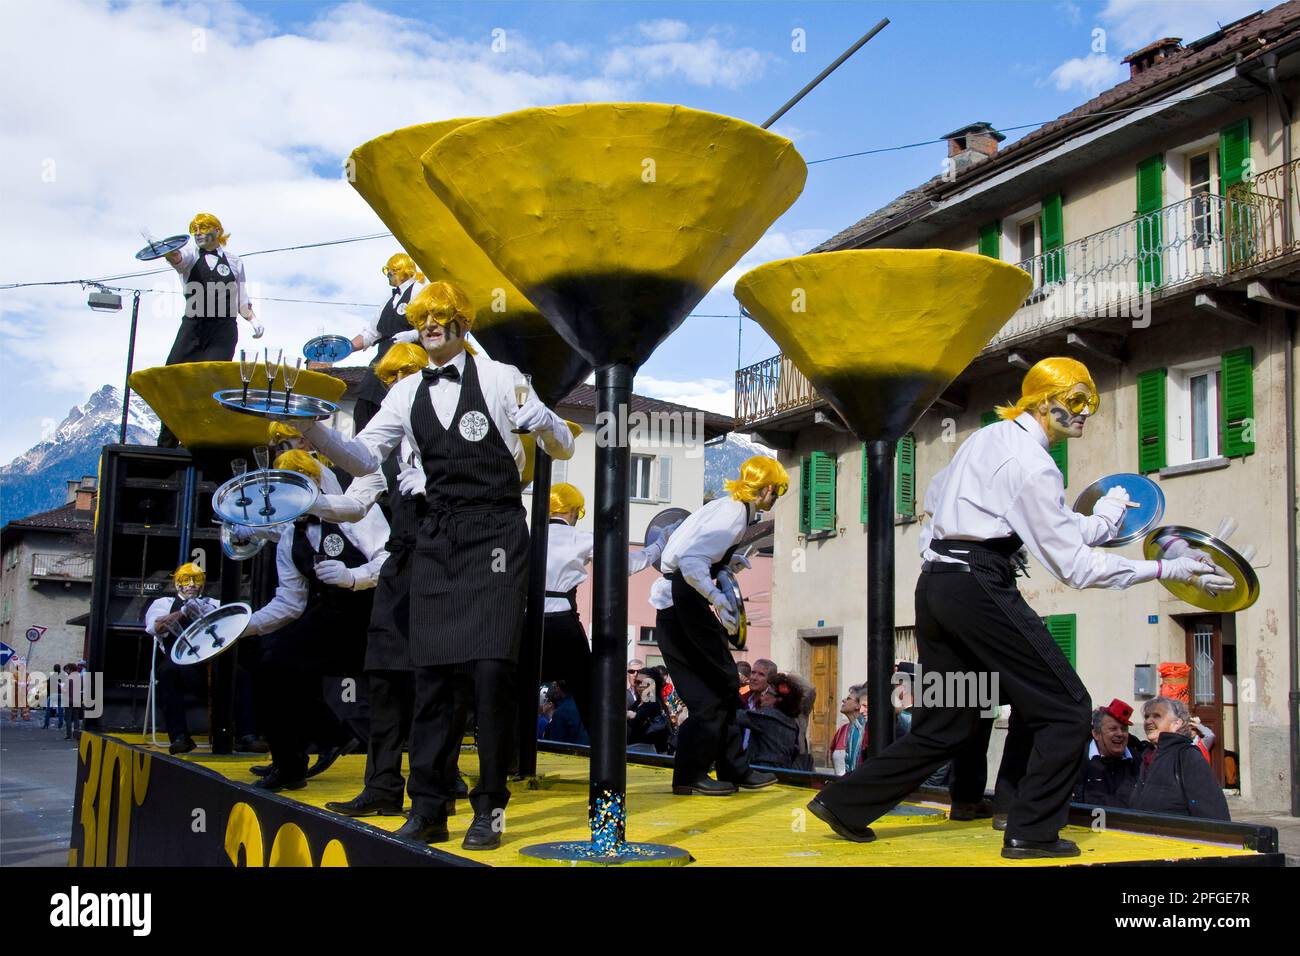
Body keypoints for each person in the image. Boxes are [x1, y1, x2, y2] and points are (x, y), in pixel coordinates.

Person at [807, 357, 1234, 859]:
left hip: (938, 584)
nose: (1085, 413)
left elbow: (1035, 525)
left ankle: (845, 803)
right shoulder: (1035, 465)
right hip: (978, 585)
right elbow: (1073, 568)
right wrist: (1167, 570)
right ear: (1042, 400)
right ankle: (1030, 830)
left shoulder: (987, 438)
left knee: (949, 720)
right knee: (1068, 708)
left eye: (1090, 402)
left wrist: (1104, 518)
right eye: (1076, 401)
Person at [299, 280, 575, 849]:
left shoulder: (502, 378)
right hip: (437, 538)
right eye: (422, 318)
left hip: (496, 531)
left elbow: (564, 447)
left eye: (441, 317)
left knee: (493, 674)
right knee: (431, 682)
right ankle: (428, 808)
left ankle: (489, 808)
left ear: (461, 323)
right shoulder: (403, 396)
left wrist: (543, 419)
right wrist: (309, 426)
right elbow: (360, 459)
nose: (430, 325)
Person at [323, 343, 472, 818]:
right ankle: (383, 786)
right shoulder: (383, 456)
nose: (399, 387)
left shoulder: (457, 440)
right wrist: (303, 503)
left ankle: (437, 786)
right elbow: (352, 505)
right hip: (399, 569)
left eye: (406, 376)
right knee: (384, 682)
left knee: (437, 684)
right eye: (391, 380)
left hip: (446, 567)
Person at [239, 450, 389, 791]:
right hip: (332, 620)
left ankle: (322, 740)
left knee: (281, 661)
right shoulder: (291, 535)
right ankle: (292, 758)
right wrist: (244, 626)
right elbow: (289, 603)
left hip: (377, 616)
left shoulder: (355, 511)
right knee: (267, 659)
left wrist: (354, 576)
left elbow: (388, 559)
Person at [652, 456, 789, 796]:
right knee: (720, 686)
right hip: (685, 601)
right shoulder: (732, 516)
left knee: (719, 689)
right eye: (776, 494)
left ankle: (717, 770)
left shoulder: (725, 507)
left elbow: (692, 555)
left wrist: (728, 568)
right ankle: (699, 773)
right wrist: (716, 596)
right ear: (768, 489)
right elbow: (692, 561)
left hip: (675, 603)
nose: (774, 501)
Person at [542, 482, 662, 732]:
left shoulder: (530, 534)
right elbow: (624, 565)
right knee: (587, 689)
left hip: (528, 619)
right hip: (563, 620)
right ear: (574, 510)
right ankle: (601, 752)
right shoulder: (580, 538)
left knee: (517, 686)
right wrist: (658, 546)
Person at [158, 213, 262, 446]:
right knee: (174, 377)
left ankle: (203, 442)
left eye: (203, 229)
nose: (198, 234)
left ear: (217, 231)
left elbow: (241, 298)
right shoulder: (190, 254)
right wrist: (166, 251)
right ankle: (166, 443)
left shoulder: (235, 262)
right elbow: (177, 259)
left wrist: (253, 320)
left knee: (211, 382)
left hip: (223, 329)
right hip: (194, 325)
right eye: (195, 230)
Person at [143, 563, 221, 754]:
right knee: (167, 673)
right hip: (176, 659)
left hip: (208, 660)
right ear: (176, 583)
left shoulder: (214, 602)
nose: (192, 584)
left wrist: (209, 612)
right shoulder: (162, 604)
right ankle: (180, 737)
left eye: (197, 579)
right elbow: (156, 627)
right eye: (186, 579)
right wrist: (183, 613)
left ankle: (246, 735)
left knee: (239, 674)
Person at [349, 254, 427, 432]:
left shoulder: (420, 290)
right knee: (364, 407)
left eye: (391, 273)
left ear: (402, 271)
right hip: (382, 360)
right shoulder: (388, 300)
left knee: (398, 412)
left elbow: (433, 324)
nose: (388, 277)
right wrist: (345, 348)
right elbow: (370, 333)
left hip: (407, 362)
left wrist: (413, 335)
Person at [1131, 697, 1230, 819]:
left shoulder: (1187, 756)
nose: (1148, 721)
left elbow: (1212, 813)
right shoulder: (1146, 757)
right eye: (1146, 717)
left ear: (1177, 723)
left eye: (1157, 716)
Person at [1074, 698, 1148, 807]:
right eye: (1113, 729)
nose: (1120, 734)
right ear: (1096, 734)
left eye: (1124, 729)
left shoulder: (1139, 761)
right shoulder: (1076, 760)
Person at [735, 673, 803, 769]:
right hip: (782, 773)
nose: (762, 696)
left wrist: (734, 687)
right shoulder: (792, 722)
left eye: (767, 693)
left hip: (762, 771)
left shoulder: (767, 716)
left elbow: (734, 715)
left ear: (778, 699)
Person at [627, 667, 672, 753]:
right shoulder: (638, 702)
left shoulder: (652, 702)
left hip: (650, 754)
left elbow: (637, 720)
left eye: (644, 682)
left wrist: (632, 715)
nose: (639, 686)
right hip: (636, 750)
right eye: (637, 682)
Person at [831, 685, 867, 775]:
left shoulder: (866, 730)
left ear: (859, 705)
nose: (843, 700)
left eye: (848, 698)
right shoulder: (841, 731)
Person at [43, 664, 63, 730]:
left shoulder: (52, 676)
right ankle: (60, 724)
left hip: (52, 694)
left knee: (48, 709)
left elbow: (48, 686)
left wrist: (48, 694)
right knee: (60, 710)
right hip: (60, 694)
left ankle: (46, 724)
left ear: (54, 669)